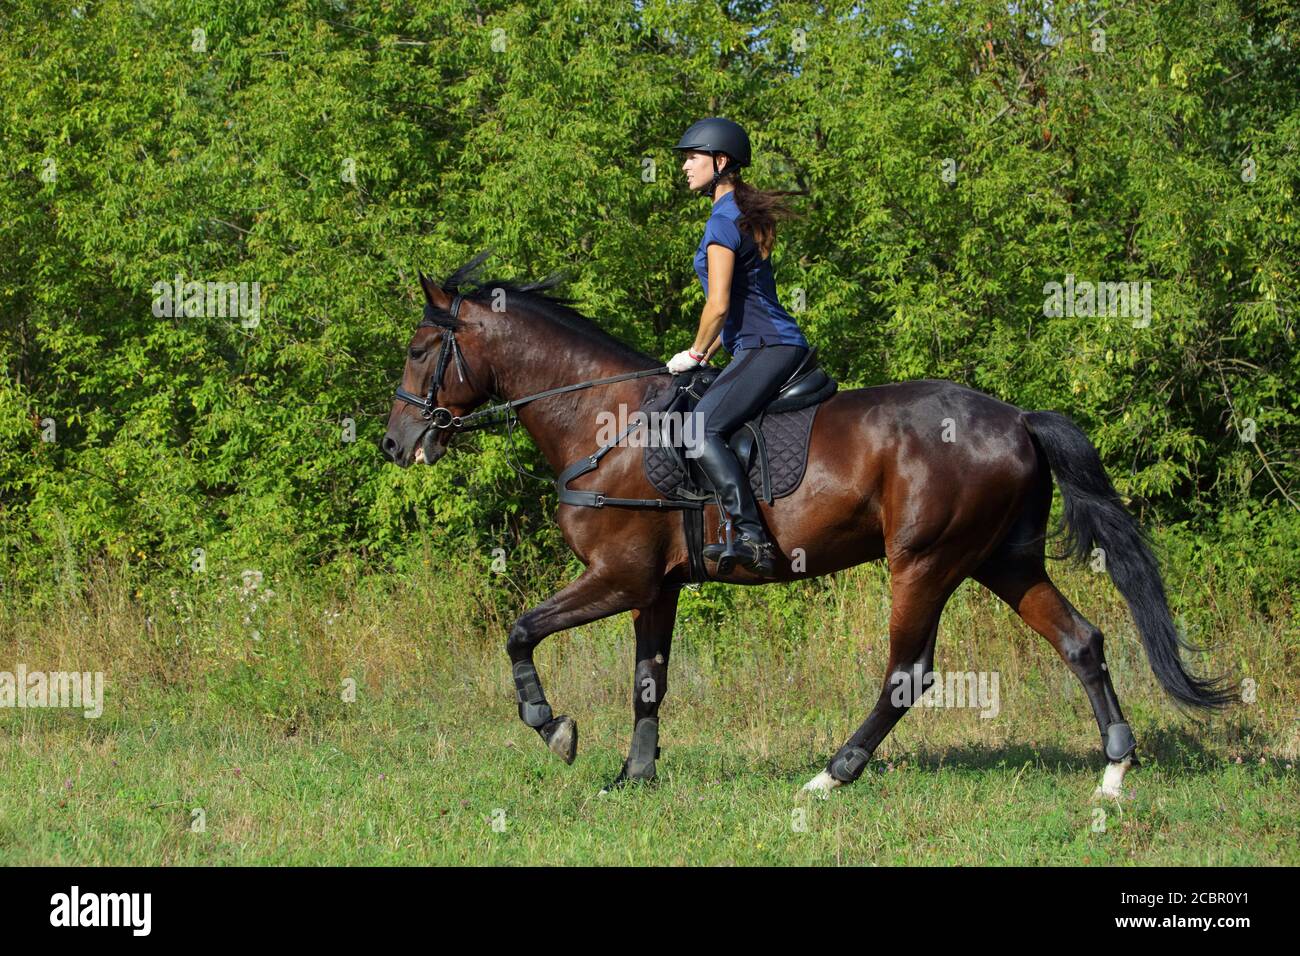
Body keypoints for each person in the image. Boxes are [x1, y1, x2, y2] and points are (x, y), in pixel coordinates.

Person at [667, 117, 810, 577]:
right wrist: (710, 353)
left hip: (767, 347)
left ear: (720, 161)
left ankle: (751, 537)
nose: (685, 166)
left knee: (699, 430)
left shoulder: (723, 223)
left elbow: (719, 304)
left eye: (692, 157)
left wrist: (692, 352)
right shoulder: (737, 216)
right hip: (763, 346)